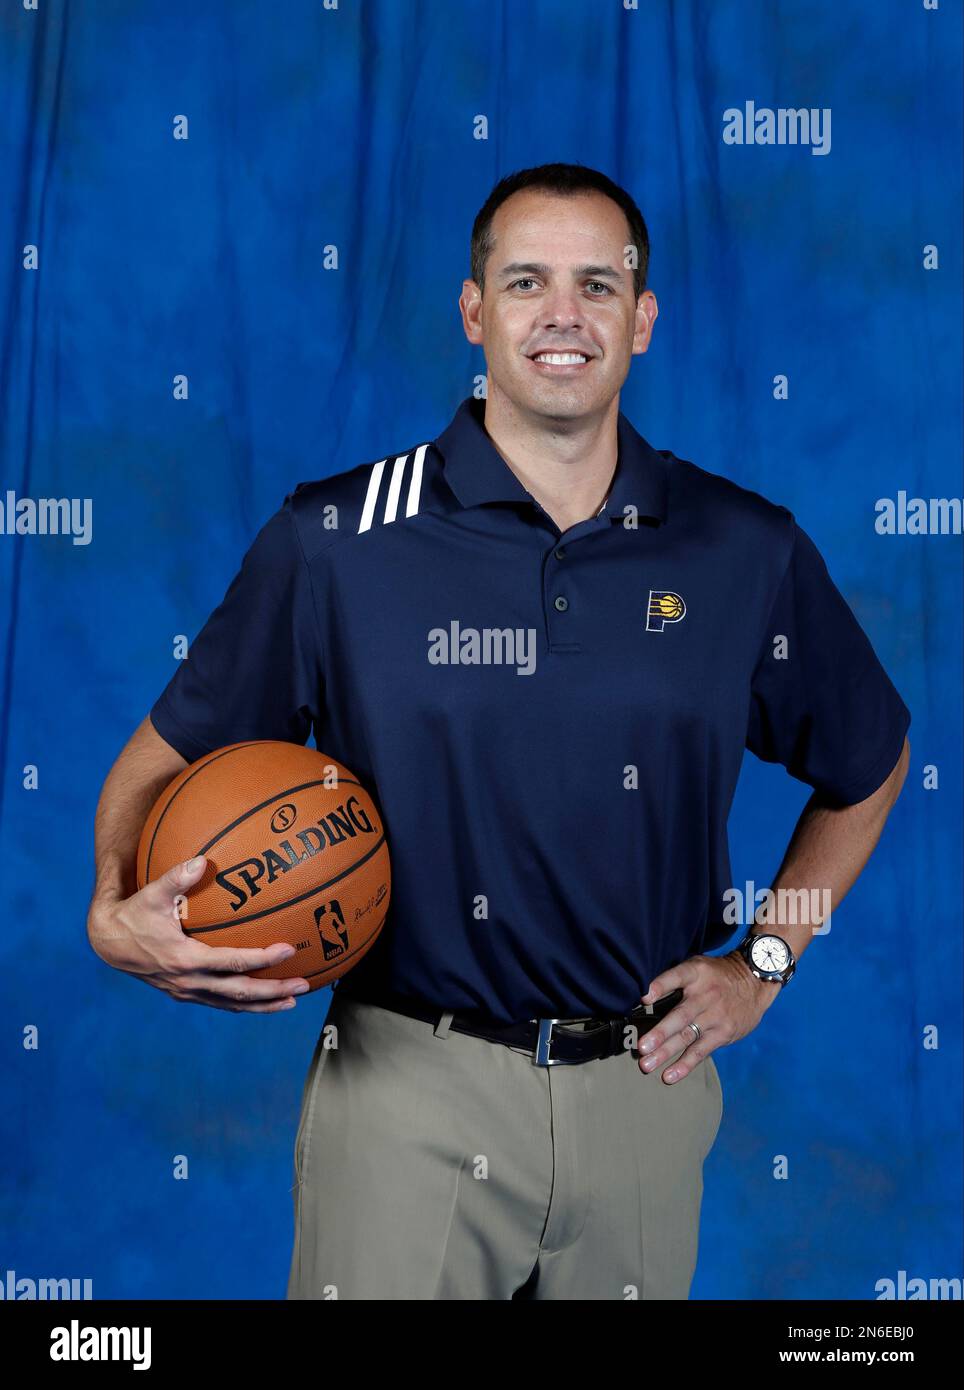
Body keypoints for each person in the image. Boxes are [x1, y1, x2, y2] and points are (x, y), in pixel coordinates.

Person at [87, 163, 911, 1301]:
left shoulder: (742, 548)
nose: (562, 315)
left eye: (597, 285)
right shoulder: (337, 539)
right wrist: (107, 910)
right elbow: (160, 762)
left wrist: (762, 965)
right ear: (474, 312)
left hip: (643, 1087)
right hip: (407, 1091)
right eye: (526, 282)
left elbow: (868, 764)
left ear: (643, 318)